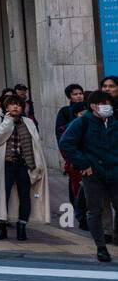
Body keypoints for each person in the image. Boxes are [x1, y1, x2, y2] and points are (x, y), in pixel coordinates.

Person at [60, 91, 118, 261]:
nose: (109, 107)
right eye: (104, 104)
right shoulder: (82, 122)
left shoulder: (114, 123)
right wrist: (83, 164)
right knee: (95, 211)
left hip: (114, 172)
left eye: (110, 104)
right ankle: (101, 247)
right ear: (93, 106)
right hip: (93, 174)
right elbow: (66, 143)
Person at [0, 94, 48, 241]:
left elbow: (36, 143)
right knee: (3, 195)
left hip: (24, 164)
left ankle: (22, 226)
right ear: (6, 107)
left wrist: (37, 164)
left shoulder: (28, 122)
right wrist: (8, 121)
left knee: (24, 196)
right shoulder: (0, 119)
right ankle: (2, 226)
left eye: (19, 105)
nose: (15, 107)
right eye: (12, 104)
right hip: (6, 164)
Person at [56, 84, 90, 228]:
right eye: (75, 94)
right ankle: (80, 216)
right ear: (69, 96)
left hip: (88, 158)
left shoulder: (89, 112)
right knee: (76, 187)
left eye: (80, 93)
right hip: (74, 158)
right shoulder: (65, 112)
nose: (79, 96)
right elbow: (61, 137)